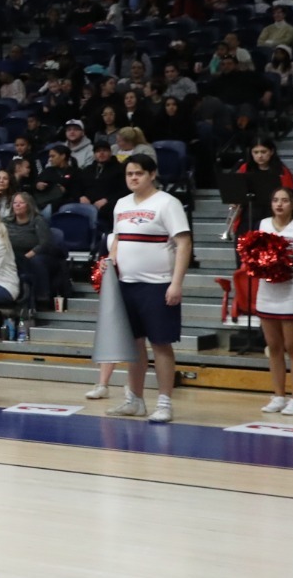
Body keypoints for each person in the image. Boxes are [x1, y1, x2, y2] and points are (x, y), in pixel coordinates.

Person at [105, 154, 191, 423]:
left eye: (139, 173)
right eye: (129, 174)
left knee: (161, 344)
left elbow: (184, 244)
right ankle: (135, 400)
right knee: (133, 345)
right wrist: (111, 263)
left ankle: (164, 402)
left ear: (152, 174)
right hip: (126, 285)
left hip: (158, 284)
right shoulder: (121, 204)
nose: (133, 178)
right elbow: (117, 238)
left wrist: (176, 283)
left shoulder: (168, 203)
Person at [249, 187, 293, 417]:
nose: (279, 204)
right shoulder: (262, 225)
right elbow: (251, 255)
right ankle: (279, 395)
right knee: (273, 346)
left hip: (292, 291)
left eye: (284, 200)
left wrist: (285, 259)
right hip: (266, 291)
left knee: (292, 347)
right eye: (275, 200)